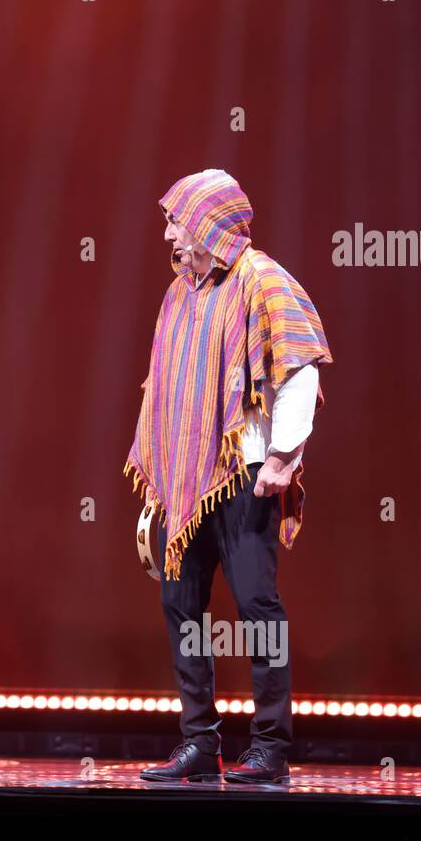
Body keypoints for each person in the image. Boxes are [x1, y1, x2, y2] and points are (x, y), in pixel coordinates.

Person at [125, 170, 332, 784]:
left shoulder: (260, 278)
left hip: (243, 475)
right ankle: (199, 742)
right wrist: (158, 468)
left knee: (256, 607)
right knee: (180, 604)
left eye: (176, 221)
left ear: (209, 224)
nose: (167, 233)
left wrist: (282, 455)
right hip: (185, 482)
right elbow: (164, 382)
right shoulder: (180, 292)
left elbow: (301, 365)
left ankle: (270, 748)